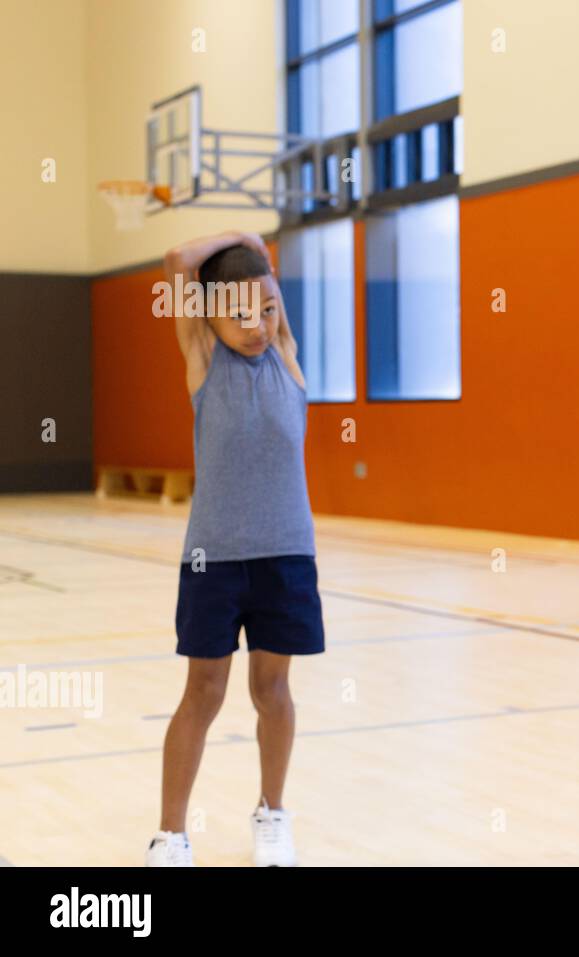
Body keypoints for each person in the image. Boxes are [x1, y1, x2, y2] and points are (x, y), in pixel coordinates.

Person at [145, 230, 323, 867]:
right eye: (239, 313)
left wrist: (261, 265)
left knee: (272, 692)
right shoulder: (202, 359)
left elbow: (265, 301)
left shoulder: (287, 354)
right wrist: (244, 239)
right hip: (213, 560)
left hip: (286, 556)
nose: (256, 324)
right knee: (204, 693)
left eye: (267, 309)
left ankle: (272, 814)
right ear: (208, 315)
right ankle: (171, 834)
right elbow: (175, 261)